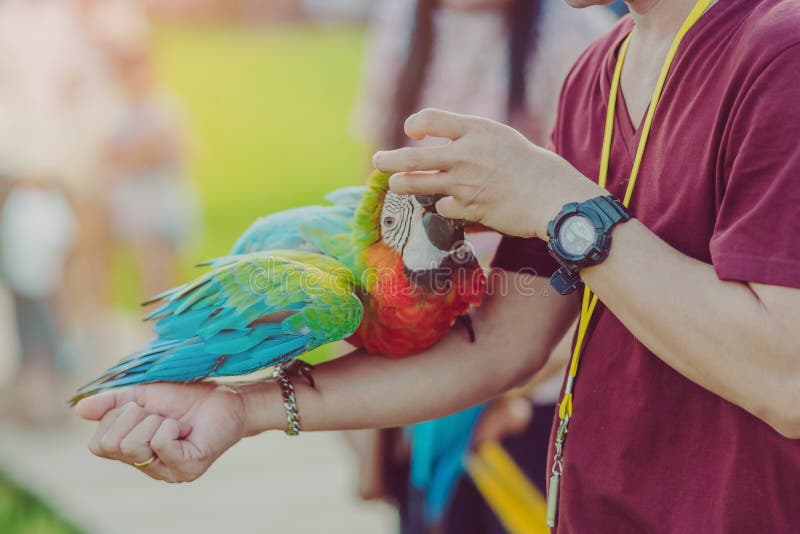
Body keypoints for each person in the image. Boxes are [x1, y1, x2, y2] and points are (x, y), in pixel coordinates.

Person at [76, 0, 800, 531]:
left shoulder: (781, 51)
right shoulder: (594, 75)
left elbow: (786, 378)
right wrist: (243, 409)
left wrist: (559, 204)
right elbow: (499, 344)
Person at [351, 1, 614, 530]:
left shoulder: (576, 32)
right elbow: (372, 200)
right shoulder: (402, 21)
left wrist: (503, 387)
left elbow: (600, 228)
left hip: (528, 379)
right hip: (421, 371)